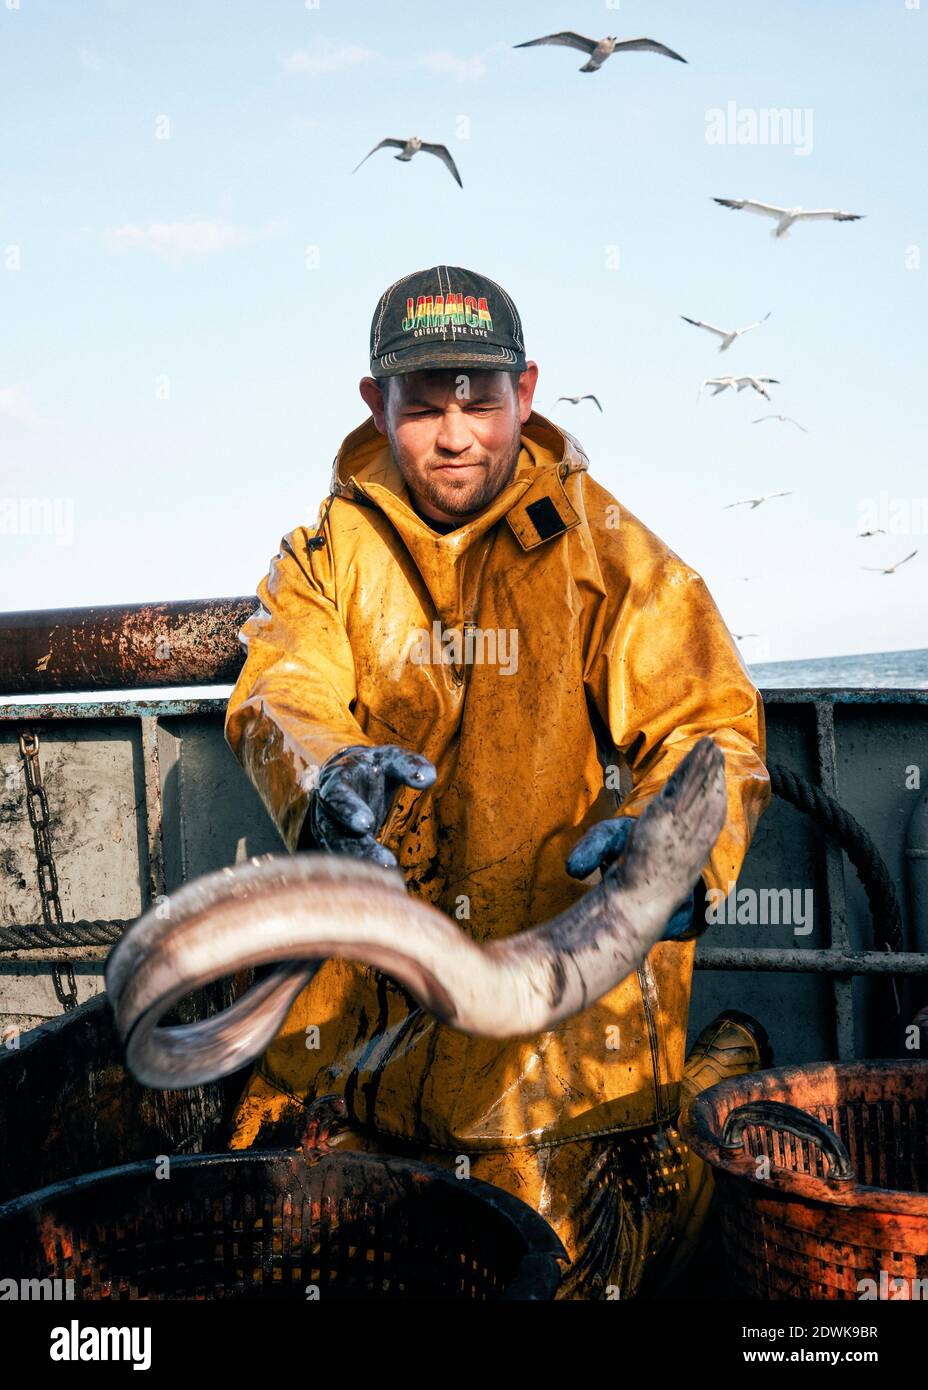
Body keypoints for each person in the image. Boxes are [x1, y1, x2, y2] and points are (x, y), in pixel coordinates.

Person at [223, 265, 772, 1298]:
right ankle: (726, 1067)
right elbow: (281, 683)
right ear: (373, 404)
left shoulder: (609, 551)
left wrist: (677, 845)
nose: (454, 434)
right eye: (422, 404)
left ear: (524, 392)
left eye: (479, 399)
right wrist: (325, 773)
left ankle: (712, 1091)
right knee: (271, 1239)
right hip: (362, 1037)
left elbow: (713, 726)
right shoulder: (321, 556)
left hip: (545, 1043)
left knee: (554, 1272)